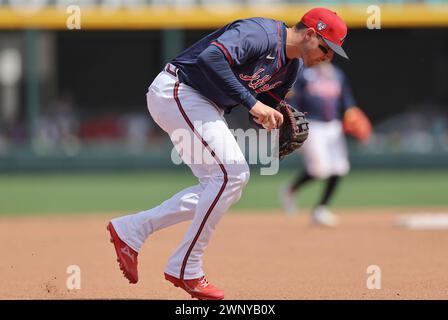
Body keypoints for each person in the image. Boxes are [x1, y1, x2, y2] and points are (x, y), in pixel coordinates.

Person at [107, 7, 349, 300]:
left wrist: (272, 117)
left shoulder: (292, 68)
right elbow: (211, 58)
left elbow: (260, 108)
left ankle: (132, 229)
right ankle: (187, 267)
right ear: (310, 34)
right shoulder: (260, 34)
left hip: (203, 104)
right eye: (326, 47)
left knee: (221, 185)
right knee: (232, 175)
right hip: (178, 90)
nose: (328, 57)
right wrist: (254, 105)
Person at [280, 61, 370, 227]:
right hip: (313, 124)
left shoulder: (337, 73)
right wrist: (295, 121)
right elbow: (294, 99)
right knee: (319, 170)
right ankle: (290, 189)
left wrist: (350, 111)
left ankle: (320, 210)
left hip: (334, 125)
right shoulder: (304, 73)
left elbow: (346, 98)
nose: (325, 55)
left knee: (340, 168)